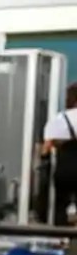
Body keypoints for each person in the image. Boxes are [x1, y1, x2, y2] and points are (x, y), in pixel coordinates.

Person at [41, 82, 77, 226]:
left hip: (64, 171)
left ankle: (62, 235)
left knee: (60, 204)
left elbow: (45, 150)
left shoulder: (59, 119)